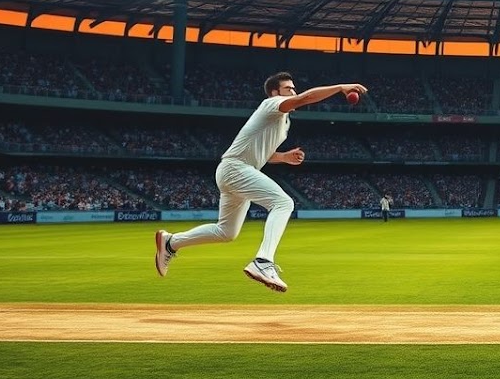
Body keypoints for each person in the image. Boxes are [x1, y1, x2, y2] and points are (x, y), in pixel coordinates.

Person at [154, 73, 368, 293]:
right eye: (288, 88)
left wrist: (283, 157)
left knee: (226, 232)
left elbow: (262, 153)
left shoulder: (283, 123)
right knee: (283, 203)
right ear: (275, 92)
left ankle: (171, 242)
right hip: (236, 168)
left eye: (294, 88)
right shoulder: (272, 104)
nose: (293, 91)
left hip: (235, 171)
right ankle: (263, 261)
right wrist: (340, 86)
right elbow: (304, 99)